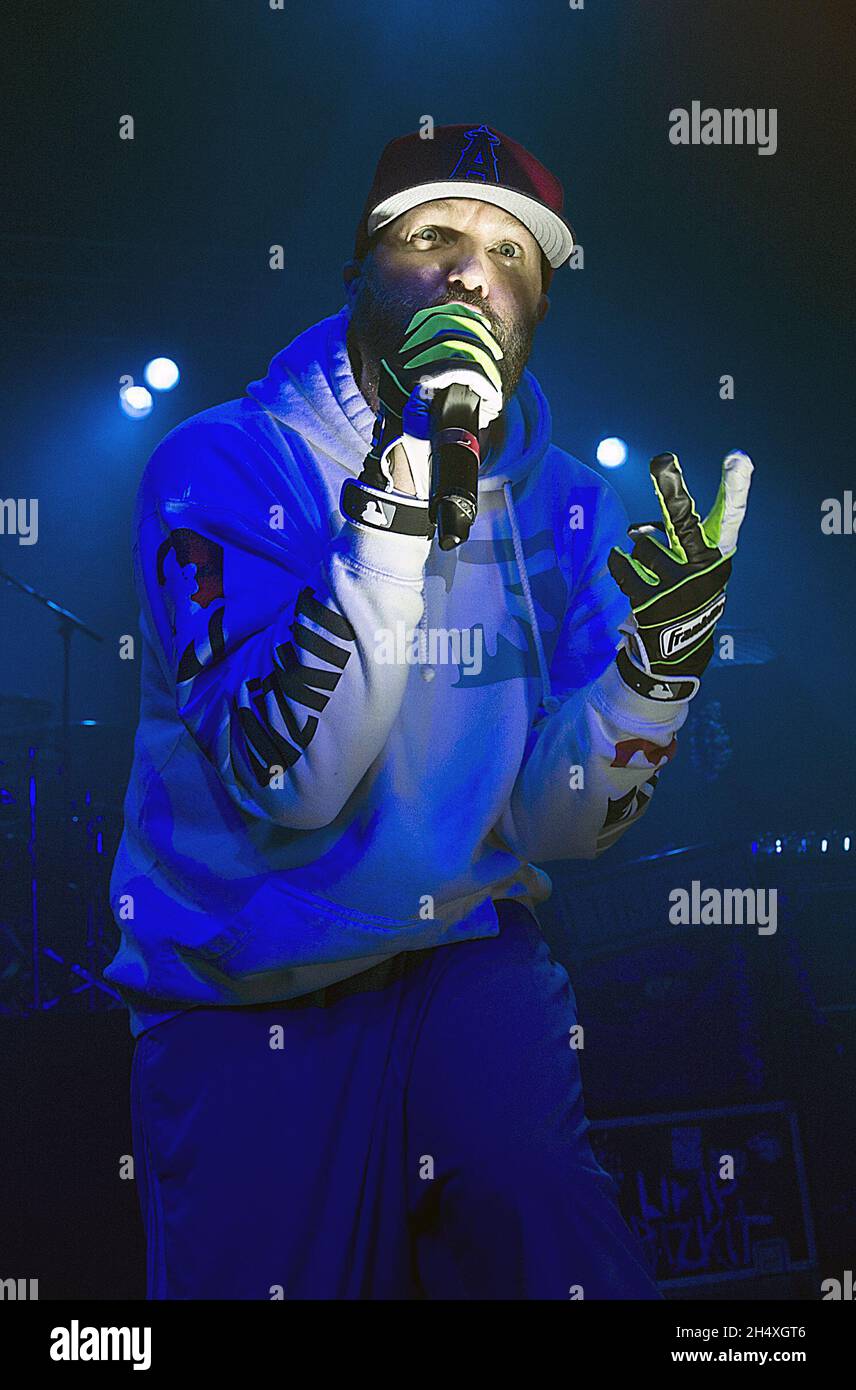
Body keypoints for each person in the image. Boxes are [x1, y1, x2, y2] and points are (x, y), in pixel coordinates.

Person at [106, 122, 752, 1299]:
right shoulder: (220, 466)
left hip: (465, 953)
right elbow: (292, 781)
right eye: (433, 237)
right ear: (357, 267)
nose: (472, 273)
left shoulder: (570, 508)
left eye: (513, 255)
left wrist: (649, 677)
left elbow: (556, 826)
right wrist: (401, 507)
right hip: (248, 982)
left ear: (540, 305)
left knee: (550, 1235)